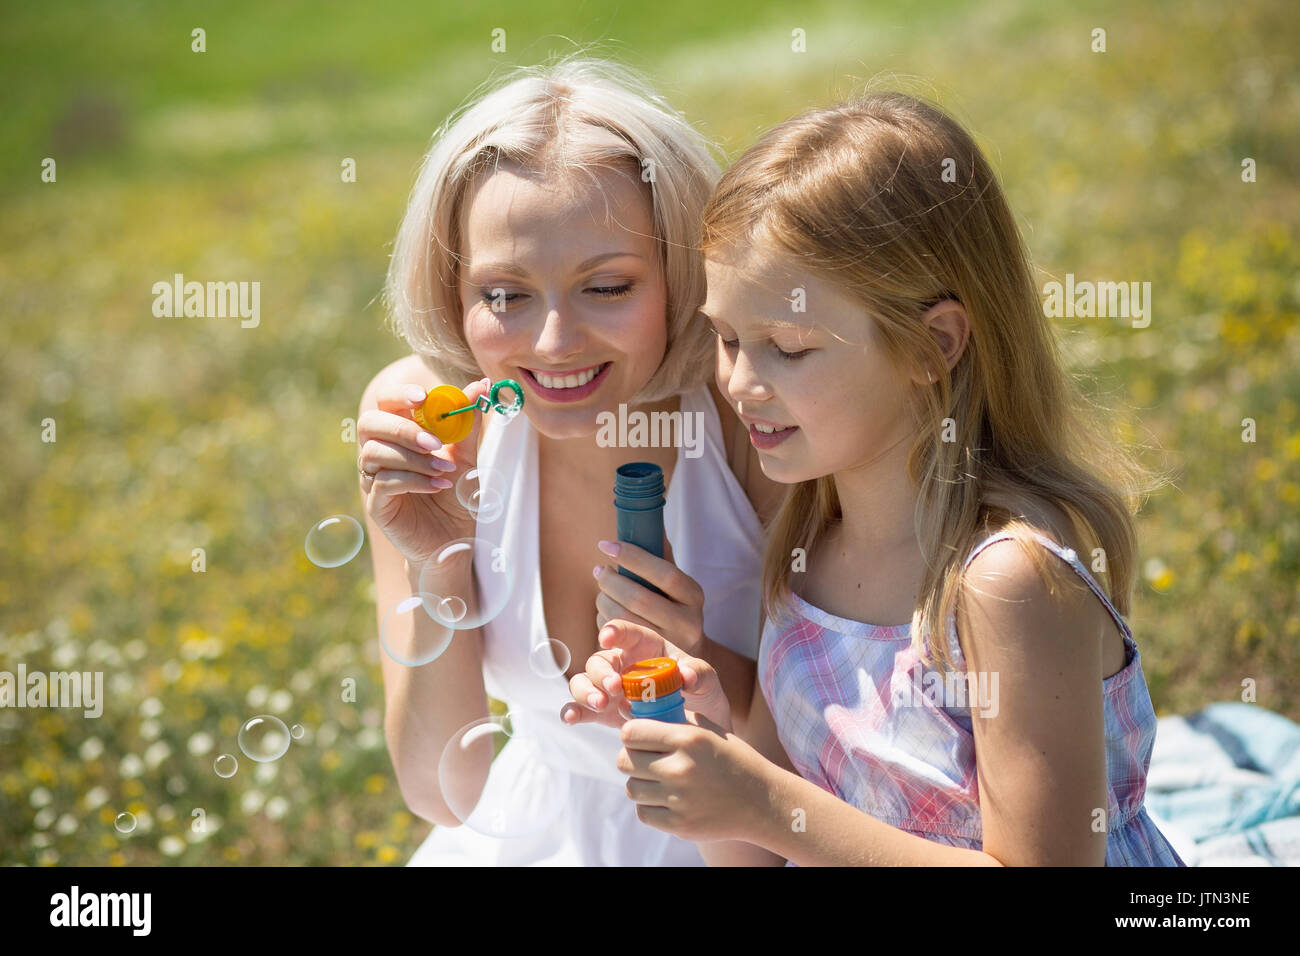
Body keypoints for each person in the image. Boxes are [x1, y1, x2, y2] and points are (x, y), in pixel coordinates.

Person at [564, 91, 1187, 866]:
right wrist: (692, 728)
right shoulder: (804, 550)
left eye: (788, 346)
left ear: (934, 346)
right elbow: (751, 857)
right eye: (725, 338)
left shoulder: (1003, 584)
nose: (740, 382)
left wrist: (764, 802)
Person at [356, 54, 781, 865]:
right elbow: (444, 792)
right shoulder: (438, 426)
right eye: (504, 295)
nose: (553, 345)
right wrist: (437, 565)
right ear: (453, 289)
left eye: (608, 287)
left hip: (738, 839)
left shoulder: (749, 416)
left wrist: (702, 670)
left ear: (682, 272)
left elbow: (838, 749)